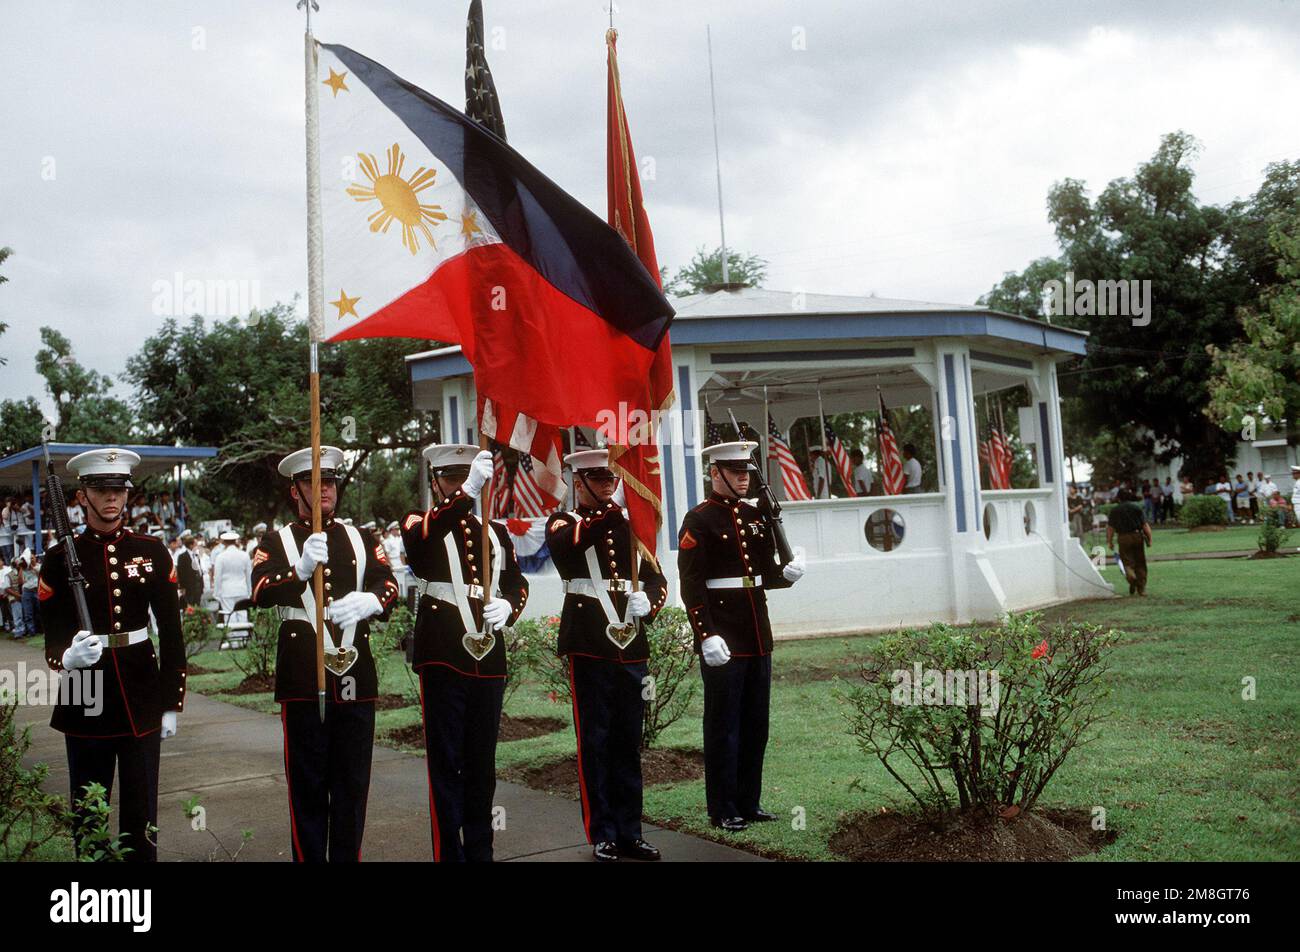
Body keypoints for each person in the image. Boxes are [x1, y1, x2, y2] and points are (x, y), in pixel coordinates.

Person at [250, 445, 400, 863]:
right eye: (315, 483)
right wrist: (296, 572)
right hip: (302, 677)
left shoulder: (361, 537)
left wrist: (374, 600)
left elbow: (389, 583)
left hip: (354, 673)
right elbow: (259, 591)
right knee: (308, 787)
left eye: (331, 481)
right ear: (295, 489)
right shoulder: (278, 540)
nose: (326, 489)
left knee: (352, 787)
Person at [38, 447, 186, 862]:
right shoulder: (57, 559)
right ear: (82, 496)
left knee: (142, 816)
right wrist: (66, 659)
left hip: (141, 690)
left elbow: (172, 634)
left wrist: (171, 702)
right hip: (85, 692)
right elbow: (52, 638)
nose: (112, 498)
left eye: (118, 489)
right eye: (101, 489)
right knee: (88, 813)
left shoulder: (153, 551)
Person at [401, 444, 529, 862]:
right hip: (444, 653)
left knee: (481, 765)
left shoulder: (494, 530)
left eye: (466, 478)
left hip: (487, 655)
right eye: (451, 478)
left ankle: (480, 850)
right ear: (436, 482)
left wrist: (510, 606)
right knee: (447, 763)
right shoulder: (421, 522)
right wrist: (468, 491)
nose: (459, 485)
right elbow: (422, 548)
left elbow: (516, 582)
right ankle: (449, 854)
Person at [544, 447, 668, 862]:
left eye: (612, 479)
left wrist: (649, 602)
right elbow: (569, 547)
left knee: (627, 742)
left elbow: (657, 578)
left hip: (630, 644)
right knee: (595, 741)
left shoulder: (630, 526)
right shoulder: (566, 522)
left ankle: (631, 831)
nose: (609, 487)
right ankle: (603, 833)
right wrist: (614, 512)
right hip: (590, 643)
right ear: (579, 483)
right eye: (599, 480)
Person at [678, 441, 807, 832]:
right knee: (724, 724)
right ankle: (723, 807)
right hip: (723, 635)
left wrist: (785, 575)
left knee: (755, 723)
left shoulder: (754, 517)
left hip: (755, 631)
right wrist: (705, 635)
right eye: (736, 472)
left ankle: (749, 801)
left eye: (746, 472)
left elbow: (763, 572)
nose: (743, 478)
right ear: (715, 473)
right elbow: (691, 584)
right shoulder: (699, 519)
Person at [1106, 488, 1151, 596]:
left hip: (1123, 537)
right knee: (1140, 562)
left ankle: (1132, 577)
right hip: (1137, 536)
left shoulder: (1115, 510)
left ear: (1119, 498)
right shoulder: (1136, 508)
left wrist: (1110, 541)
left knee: (1127, 561)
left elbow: (1110, 528)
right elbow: (1145, 525)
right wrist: (1149, 538)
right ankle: (1142, 588)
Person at [212, 530, 252, 625]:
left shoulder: (221, 557)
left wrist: (216, 593)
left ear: (224, 542)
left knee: (229, 616)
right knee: (242, 614)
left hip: (227, 590)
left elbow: (217, 577)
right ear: (235, 541)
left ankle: (232, 638)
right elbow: (248, 575)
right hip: (242, 589)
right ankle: (243, 636)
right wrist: (250, 590)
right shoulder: (244, 555)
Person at [175, 533, 203, 608]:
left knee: (198, 605)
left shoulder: (196, 555)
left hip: (198, 585)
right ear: (191, 545)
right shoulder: (182, 557)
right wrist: (182, 587)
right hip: (189, 587)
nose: (197, 547)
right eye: (195, 544)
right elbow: (180, 573)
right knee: (190, 606)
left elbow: (199, 569)